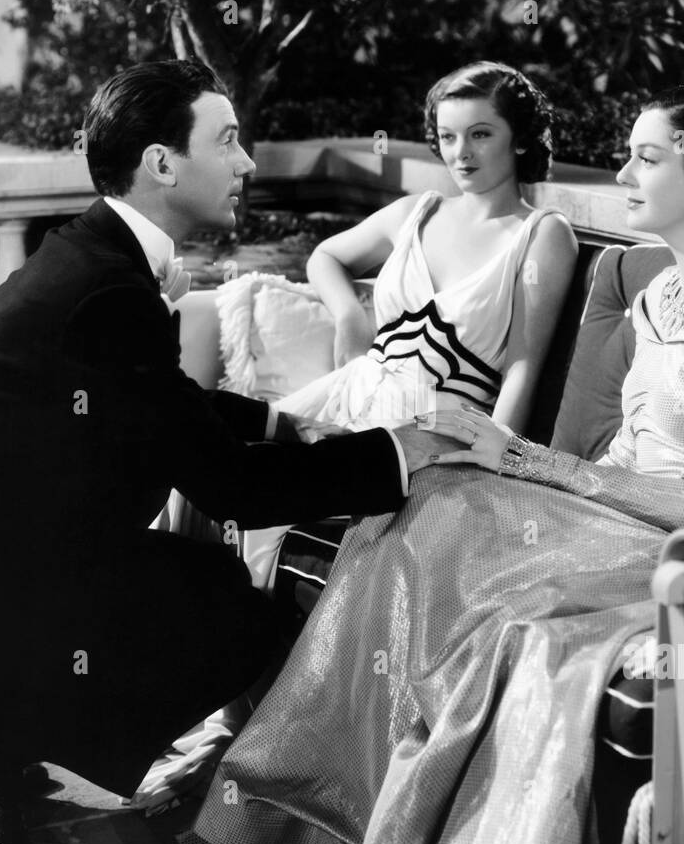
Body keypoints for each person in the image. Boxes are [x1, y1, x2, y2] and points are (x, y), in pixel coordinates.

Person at [175, 85, 684, 844]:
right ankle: (333, 812)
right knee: (425, 495)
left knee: (451, 523)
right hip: (603, 508)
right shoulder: (656, 294)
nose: (622, 170)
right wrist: (508, 464)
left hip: (670, 550)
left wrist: (521, 458)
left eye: (647, 156)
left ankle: (383, 832)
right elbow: (624, 448)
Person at [0, 60, 453, 844]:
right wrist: (397, 454)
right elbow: (231, 485)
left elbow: (160, 408)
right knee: (226, 613)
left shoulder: (97, 251)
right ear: (163, 163)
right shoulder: (108, 288)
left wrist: (285, 418)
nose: (245, 163)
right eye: (227, 140)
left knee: (194, 579)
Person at [239, 62, 577, 589]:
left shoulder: (541, 235)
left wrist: (497, 459)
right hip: (350, 391)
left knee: (285, 497)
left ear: (519, 140)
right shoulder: (416, 212)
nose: (460, 152)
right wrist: (351, 316)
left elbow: (523, 363)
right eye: (447, 136)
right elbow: (325, 256)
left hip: (433, 427)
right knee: (221, 470)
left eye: (480, 134)